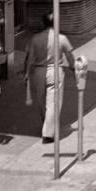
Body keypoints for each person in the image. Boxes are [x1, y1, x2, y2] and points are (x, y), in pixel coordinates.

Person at [24, 14, 74, 143]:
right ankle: (48, 133)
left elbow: (28, 57)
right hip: (55, 71)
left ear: (43, 23)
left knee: (41, 100)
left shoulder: (35, 38)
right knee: (53, 102)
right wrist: (73, 67)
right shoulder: (61, 38)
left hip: (39, 71)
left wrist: (26, 73)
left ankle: (46, 125)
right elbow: (70, 56)